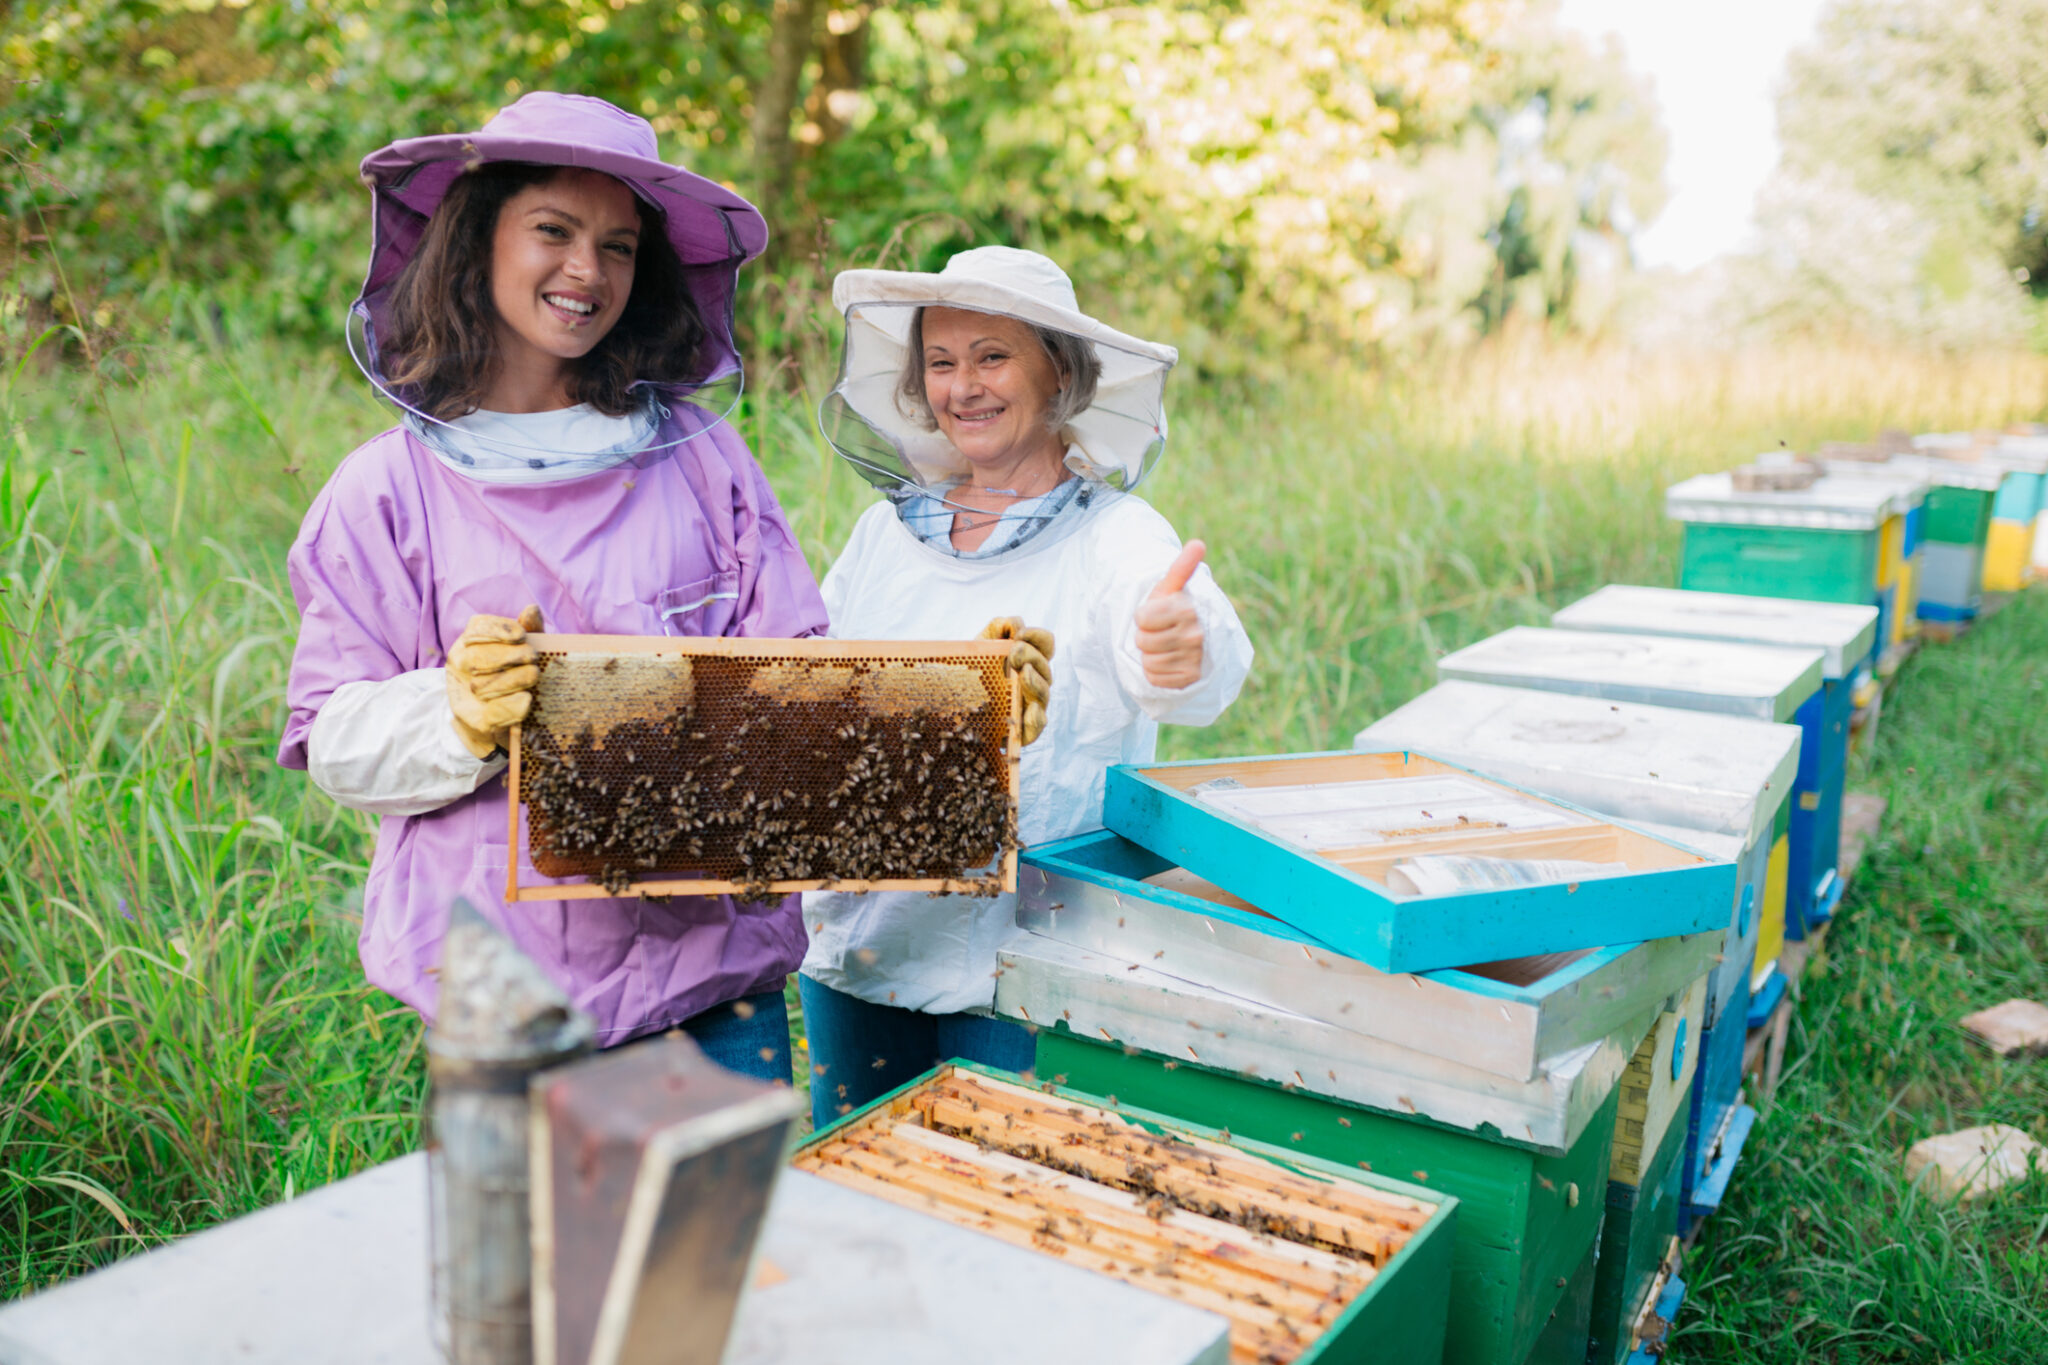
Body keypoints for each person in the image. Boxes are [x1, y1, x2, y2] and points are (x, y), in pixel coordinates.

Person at [276, 92, 828, 1081]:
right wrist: (459, 712)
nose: (586, 271)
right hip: (501, 994)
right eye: (553, 232)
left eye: (617, 246)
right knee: (534, 1242)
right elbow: (335, 739)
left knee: (723, 1241)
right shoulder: (384, 487)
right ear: (477, 239)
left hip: (714, 983)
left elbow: (800, 677)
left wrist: (963, 705)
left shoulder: (707, 461)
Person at [797, 245, 1255, 1126]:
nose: (963, 385)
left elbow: (1182, 644)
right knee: (860, 1213)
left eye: (992, 356)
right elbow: (807, 702)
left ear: (1061, 374)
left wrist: (1175, 647)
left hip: (1025, 975)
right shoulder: (882, 536)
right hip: (860, 952)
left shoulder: (1117, 537)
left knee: (1006, 1227)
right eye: (941, 361)